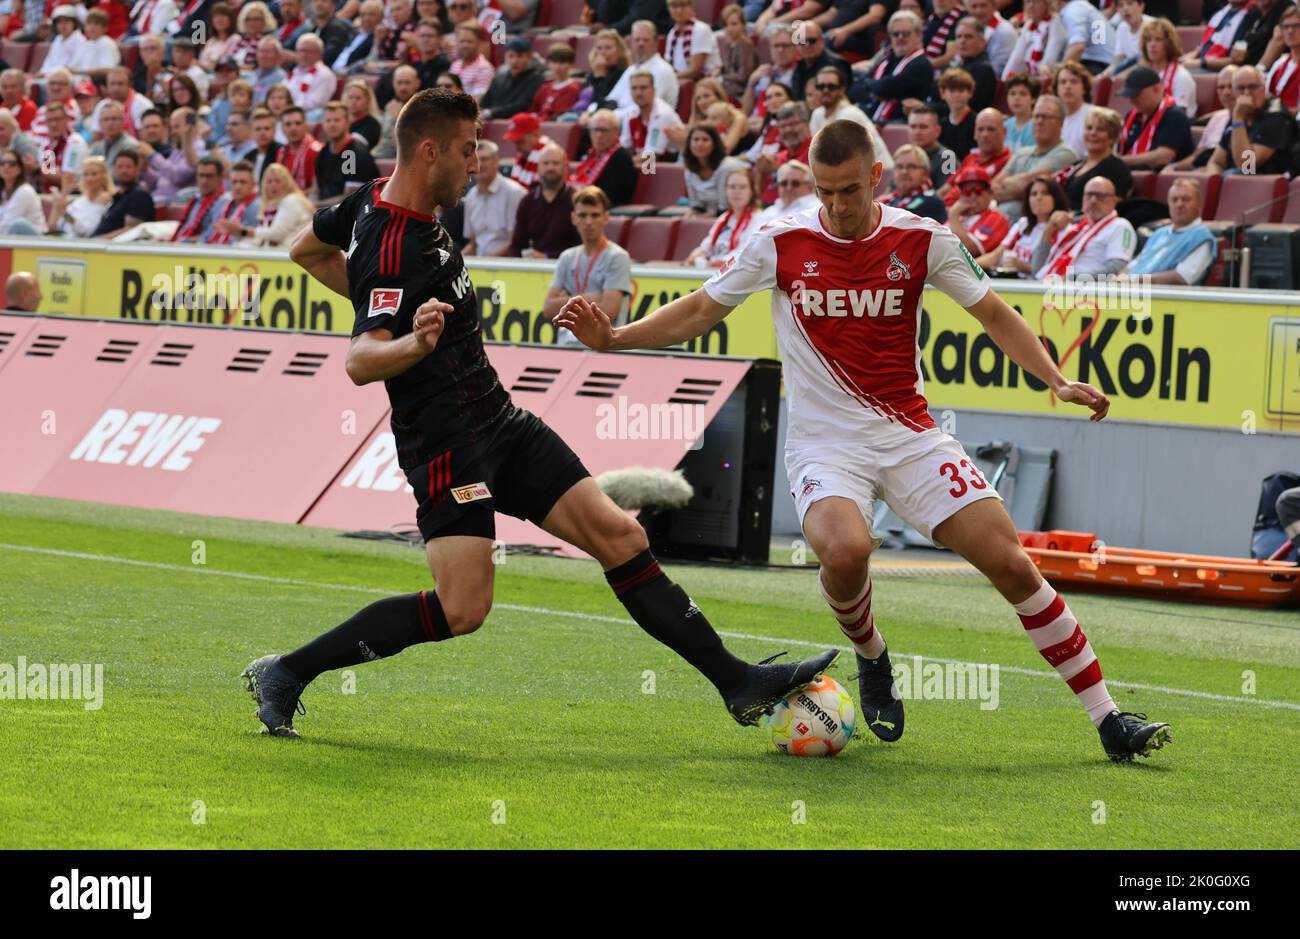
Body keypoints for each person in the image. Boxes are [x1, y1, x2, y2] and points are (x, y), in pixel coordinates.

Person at [555, 118, 1172, 764]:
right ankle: (873, 655)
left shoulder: (923, 238)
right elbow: (704, 307)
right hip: (825, 445)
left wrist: (1056, 378)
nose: (837, 207)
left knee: (1011, 562)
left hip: (910, 434)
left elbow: (993, 312)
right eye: (824, 192)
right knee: (846, 550)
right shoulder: (780, 242)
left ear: (876, 177)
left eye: (849, 190)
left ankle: (1109, 719)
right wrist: (616, 339)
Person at [258, 88, 836, 739]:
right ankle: (287, 671)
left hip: (502, 422)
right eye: (467, 149)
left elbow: (304, 249)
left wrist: (372, 300)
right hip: (449, 448)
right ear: (429, 152)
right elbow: (361, 360)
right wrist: (410, 341)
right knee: (464, 607)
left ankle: (738, 682)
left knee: (622, 537)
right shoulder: (393, 245)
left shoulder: (367, 204)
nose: (477, 162)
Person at [542, 185, 633, 346]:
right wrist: (590, 298)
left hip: (604, 348)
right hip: (567, 344)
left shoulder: (618, 257)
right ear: (573, 218)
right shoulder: (567, 257)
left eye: (595, 215)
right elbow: (548, 308)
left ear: (606, 218)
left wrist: (565, 302)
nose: (588, 222)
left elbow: (609, 310)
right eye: (582, 215)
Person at [991, 94, 1078, 222]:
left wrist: (1007, 185)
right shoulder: (1022, 152)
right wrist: (1016, 190)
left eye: (1046, 117)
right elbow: (991, 188)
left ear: (1060, 123)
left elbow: (1028, 186)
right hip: (997, 225)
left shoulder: (1065, 154)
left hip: (1028, 229)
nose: (1039, 121)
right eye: (1036, 116)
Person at [1032, 176, 1136, 280]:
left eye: (1100, 196)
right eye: (1089, 195)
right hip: (1044, 286)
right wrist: (1047, 233)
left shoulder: (1120, 226)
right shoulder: (1071, 226)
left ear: (1113, 201)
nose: (1093, 200)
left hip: (1081, 291)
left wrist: (1071, 279)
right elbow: (1036, 270)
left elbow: (1116, 269)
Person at [1120, 177, 1216, 286]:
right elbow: (1134, 264)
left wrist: (1136, 280)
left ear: (1200, 204)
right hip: (1133, 292)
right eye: (1174, 200)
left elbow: (1182, 277)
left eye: (1186, 199)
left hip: (1163, 298)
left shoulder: (1202, 238)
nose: (1179, 204)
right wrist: (1119, 278)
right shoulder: (1158, 233)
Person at [1207, 65, 1296, 177]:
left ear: (1264, 88)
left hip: (1269, 185)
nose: (1247, 93)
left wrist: (1238, 119)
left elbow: (1247, 166)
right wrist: (1214, 182)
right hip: (1240, 182)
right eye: (1241, 88)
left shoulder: (1276, 116)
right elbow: (1216, 162)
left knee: (1232, 175)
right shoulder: (1242, 111)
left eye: (1252, 87)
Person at [976, 176, 1070, 277]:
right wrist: (969, 266)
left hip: (1032, 287)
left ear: (1056, 198)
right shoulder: (1023, 224)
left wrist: (1025, 267)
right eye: (1034, 194)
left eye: (1045, 193)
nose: (1038, 198)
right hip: (1008, 279)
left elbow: (1053, 270)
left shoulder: (1062, 229)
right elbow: (995, 256)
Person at [850, 10, 932, 124]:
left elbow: (885, 87)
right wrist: (874, 87)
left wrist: (870, 85)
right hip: (875, 118)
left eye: (906, 33)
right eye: (895, 34)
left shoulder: (921, 64)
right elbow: (855, 90)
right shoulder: (886, 62)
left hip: (901, 123)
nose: (900, 38)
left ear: (919, 35)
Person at [507, 142, 579, 258]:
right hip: (533, 268)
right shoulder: (527, 202)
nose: (550, 167)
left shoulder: (577, 200)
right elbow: (516, 245)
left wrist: (546, 257)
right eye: (546, 163)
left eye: (556, 163)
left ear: (565, 167)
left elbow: (581, 248)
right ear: (538, 167)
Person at [1116, 67, 1194, 172]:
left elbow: (1163, 157)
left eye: (1137, 94)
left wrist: (1120, 161)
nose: (1132, 100)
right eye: (1130, 96)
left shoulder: (1174, 116)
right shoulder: (1132, 115)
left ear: (1156, 89)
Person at [684, 167, 762, 268]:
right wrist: (697, 255)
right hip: (713, 270)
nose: (736, 192)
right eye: (732, 187)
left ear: (752, 192)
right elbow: (706, 247)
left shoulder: (758, 219)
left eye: (742, 187)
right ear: (726, 191)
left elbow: (744, 254)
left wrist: (711, 263)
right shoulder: (724, 218)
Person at [1058, 107, 1132, 211]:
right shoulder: (1077, 165)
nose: (1093, 133)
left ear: (1112, 137)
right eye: (1089, 128)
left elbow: (1112, 207)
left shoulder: (1115, 167)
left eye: (1100, 129)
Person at [462, 139, 526, 256]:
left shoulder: (514, 192)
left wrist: (487, 263)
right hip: (482, 266)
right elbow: (473, 245)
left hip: (507, 266)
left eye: (484, 159)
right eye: (475, 160)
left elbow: (515, 242)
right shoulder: (471, 196)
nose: (479, 164)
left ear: (496, 161)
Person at [940, 107, 1012, 206]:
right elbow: (946, 188)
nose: (985, 134)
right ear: (974, 133)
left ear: (1004, 132)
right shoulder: (971, 158)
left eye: (991, 129)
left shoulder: (1009, 161)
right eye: (980, 129)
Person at [314, 101, 381, 200]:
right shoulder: (324, 151)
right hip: (325, 209)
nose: (332, 124)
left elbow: (349, 200)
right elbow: (317, 189)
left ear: (347, 122)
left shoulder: (353, 153)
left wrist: (315, 207)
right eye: (328, 120)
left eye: (337, 120)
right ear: (323, 124)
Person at [608, 19, 678, 112]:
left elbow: (644, 108)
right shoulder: (632, 69)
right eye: (637, 40)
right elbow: (612, 99)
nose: (641, 44)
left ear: (656, 42)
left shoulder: (663, 70)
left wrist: (611, 116)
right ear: (631, 43)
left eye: (646, 40)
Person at [570, 109, 636, 207]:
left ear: (616, 132)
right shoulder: (590, 154)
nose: (599, 135)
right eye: (595, 130)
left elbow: (614, 197)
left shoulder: (621, 159)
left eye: (604, 131)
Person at [239, 162, 314, 246]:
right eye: (269, 181)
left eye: (277, 181)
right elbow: (261, 239)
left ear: (287, 183)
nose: (273, 185)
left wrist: (246, 231)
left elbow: (277, 234)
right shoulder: (271, 204)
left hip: (291, 253)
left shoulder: (292, 200)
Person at [683, 122, 747, 216]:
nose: (700, 144)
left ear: (715, 143)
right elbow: (696, 206)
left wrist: (700, 218)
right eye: (696, 139)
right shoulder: (689, 170)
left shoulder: (727, 167)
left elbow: (724, 208)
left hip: (731, 216)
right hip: (707, 216)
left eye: (705, 140)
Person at [619, 69, 682, 162]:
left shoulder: (663, 114)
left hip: (668, 166)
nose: (638, 93)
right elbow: (625, 147)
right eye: (634, 88)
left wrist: (622, 164)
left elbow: (651, 157)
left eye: (643, 88)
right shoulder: (630, 114)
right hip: (645, 165)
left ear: (653, 90)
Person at [1137, 18, 1196, 117]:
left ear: (1169, 44)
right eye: (1148, 40)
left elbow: (1178, 117)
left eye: (1158, 39)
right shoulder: (1144, 75)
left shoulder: (1181, 76)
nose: (1152, 45)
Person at [945, 165, 1008, 256]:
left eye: (978, 191)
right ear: (961, 195)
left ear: (990, 193)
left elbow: (969, 251)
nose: (973, 196)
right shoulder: (960, 214)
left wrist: (953, 215)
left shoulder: (997, 218)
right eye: (967, 192)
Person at [480, 36, 546, 122]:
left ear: (529, 57)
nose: (514, 61)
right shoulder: (500, 78)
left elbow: (522, 105)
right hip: (492, 120)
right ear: (505, 57)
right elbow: (485, 102)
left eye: (519, 56)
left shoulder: (536, 79)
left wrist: (492, 112)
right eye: (510, 56)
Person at [92, 148, 156, 236]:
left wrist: (98, 241)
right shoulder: (116, 197)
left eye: (128, 167)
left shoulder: (140, 196)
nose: (124, 171)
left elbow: (131, 230)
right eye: (120, 167)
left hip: (112, 247)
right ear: (114, 169)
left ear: (137, 170)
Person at [49, 154, 114, 237]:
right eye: (85, 175)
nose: (89, 179)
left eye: (94, 174)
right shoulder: (80, 200)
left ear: (104, 176)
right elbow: (52, 226)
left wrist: (64, 213)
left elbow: (86, 231)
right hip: (61, 239)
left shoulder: (104, 198)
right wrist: (64, 192)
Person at [883, 142, 947, 223]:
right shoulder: (890, 199)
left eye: (911, 167)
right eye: (899, 167)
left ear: (925, 173)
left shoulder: (931, 201)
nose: (904, 172)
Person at [169, 154, 227, 242]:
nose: (204, 181)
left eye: (209, 176)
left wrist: (185, 241)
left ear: (220, 177)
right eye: (201, 175)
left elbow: (213, 235)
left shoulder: (223, 202)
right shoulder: (196, 199)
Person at [206, 160, 262, 244]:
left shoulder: (257, 207)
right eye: (234, 182)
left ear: (253, 185)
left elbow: (247, 241)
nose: (238, 186)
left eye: (243, 182)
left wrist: (235, 230)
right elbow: (208, 234)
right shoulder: (222, 202)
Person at [665, 0, 720, 81]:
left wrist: (669, 78)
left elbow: (695, 71)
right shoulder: (672, 33)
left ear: (691, 7)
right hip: (679, 80)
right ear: (669, 9)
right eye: (674, 6)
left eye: (683, 5)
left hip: (705, 81)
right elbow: (668, 65)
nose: (679, 10)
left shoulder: (700, 29)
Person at [1056, 0, 1113, 76]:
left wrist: (1058, 72)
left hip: (1099, 65)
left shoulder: (1073, 9)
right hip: (1099, 62)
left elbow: (1078, 47)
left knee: (1061, 79)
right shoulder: (1077, 6)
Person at [755, 159, 818, 226]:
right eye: (784, 183)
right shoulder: (770, 211)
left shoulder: (815, 210)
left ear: (810, 186)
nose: (789, 188)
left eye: (795, 183)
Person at [716, 4, 758, 100]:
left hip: (740, 91)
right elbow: (727, 67)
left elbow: (743, 75)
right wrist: (719, 71)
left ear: (743, 25)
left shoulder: (745, 45)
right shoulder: (727, 43)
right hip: (728, 85)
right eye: (726, 25)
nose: (729, 29)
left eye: (734, 24)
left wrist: (724, 77)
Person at [907, 105, 955, 188]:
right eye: (913, 127)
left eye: (923, 127)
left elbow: (946, 193)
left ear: (937, 131)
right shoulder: (905, 155)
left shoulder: (948, 157)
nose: (917, 132)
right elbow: (891, 190)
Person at [1053, 61, 1094, 159]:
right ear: (1056, 89)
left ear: (1084, 88)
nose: (1067, 86)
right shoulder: (1049, 118)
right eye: (1063, 82)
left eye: (1074, 81)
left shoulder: (1094, 115)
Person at [280, 105, 324, 194]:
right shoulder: (281, 152)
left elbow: (318, 189)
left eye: (298, 123)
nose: (293, 128)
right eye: (288, 124)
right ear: (282, 128)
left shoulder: (316, 151)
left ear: (305, 125)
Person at [0, 147, 45, 234]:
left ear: (20, 169)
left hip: (36, 241)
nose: (6, 167)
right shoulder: (3, 192)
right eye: (2, 163)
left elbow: (7, 225)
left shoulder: (25, 191)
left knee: (18, 224)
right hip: (14, 240)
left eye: (12, 164)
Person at [531, 43, 580, 120]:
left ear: (571, 64)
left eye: (561, 63)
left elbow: (559, 114)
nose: (557, 67)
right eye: (554, 62)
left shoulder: (572, 88)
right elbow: (534, 109)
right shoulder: (544, 87)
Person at [1001, 73, 1037, 153]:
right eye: (1012, 93)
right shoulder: (1004, 126)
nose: (1016, 98)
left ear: (1033, 99)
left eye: (1022, 94)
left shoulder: (1037, 127)